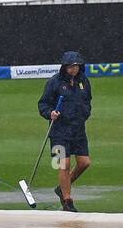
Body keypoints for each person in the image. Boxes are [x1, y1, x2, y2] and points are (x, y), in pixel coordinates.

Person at [37, 50, 92, 213]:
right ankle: (67, 201)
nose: (73, 69)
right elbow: (43, 105)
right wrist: (50, 113)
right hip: (59, 130)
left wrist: (85, 113)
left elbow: (88, 101)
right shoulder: (54, 82)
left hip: (78, 130)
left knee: (84, 163)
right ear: (64, 67)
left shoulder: (84, 82)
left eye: (76, 66)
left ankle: (61, 188)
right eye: (70, 66)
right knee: (63, 164)